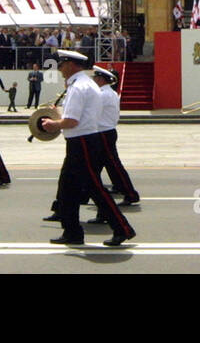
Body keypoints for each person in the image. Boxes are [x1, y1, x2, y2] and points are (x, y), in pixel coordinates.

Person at [43, 50, 135, 246]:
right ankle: (72, 232)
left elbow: (72, 121)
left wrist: (53, 124)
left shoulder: (78, 88)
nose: (59, 67)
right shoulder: (85, 84)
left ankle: (122, 228)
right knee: (68, 189)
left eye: (62, 63)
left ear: (71, 65)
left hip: (81, 142)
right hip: (83, 140)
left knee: (94, 188)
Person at [90, 66, 139, 211]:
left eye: (95, 78)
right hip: (106, 132)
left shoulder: (102, 94)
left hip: (103, 133)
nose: (93, 81)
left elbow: (91, 112)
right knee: (96, 167)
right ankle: (85, 194)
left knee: (113, 166)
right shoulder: (109, 93)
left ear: (100, 79)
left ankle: (130, 194)